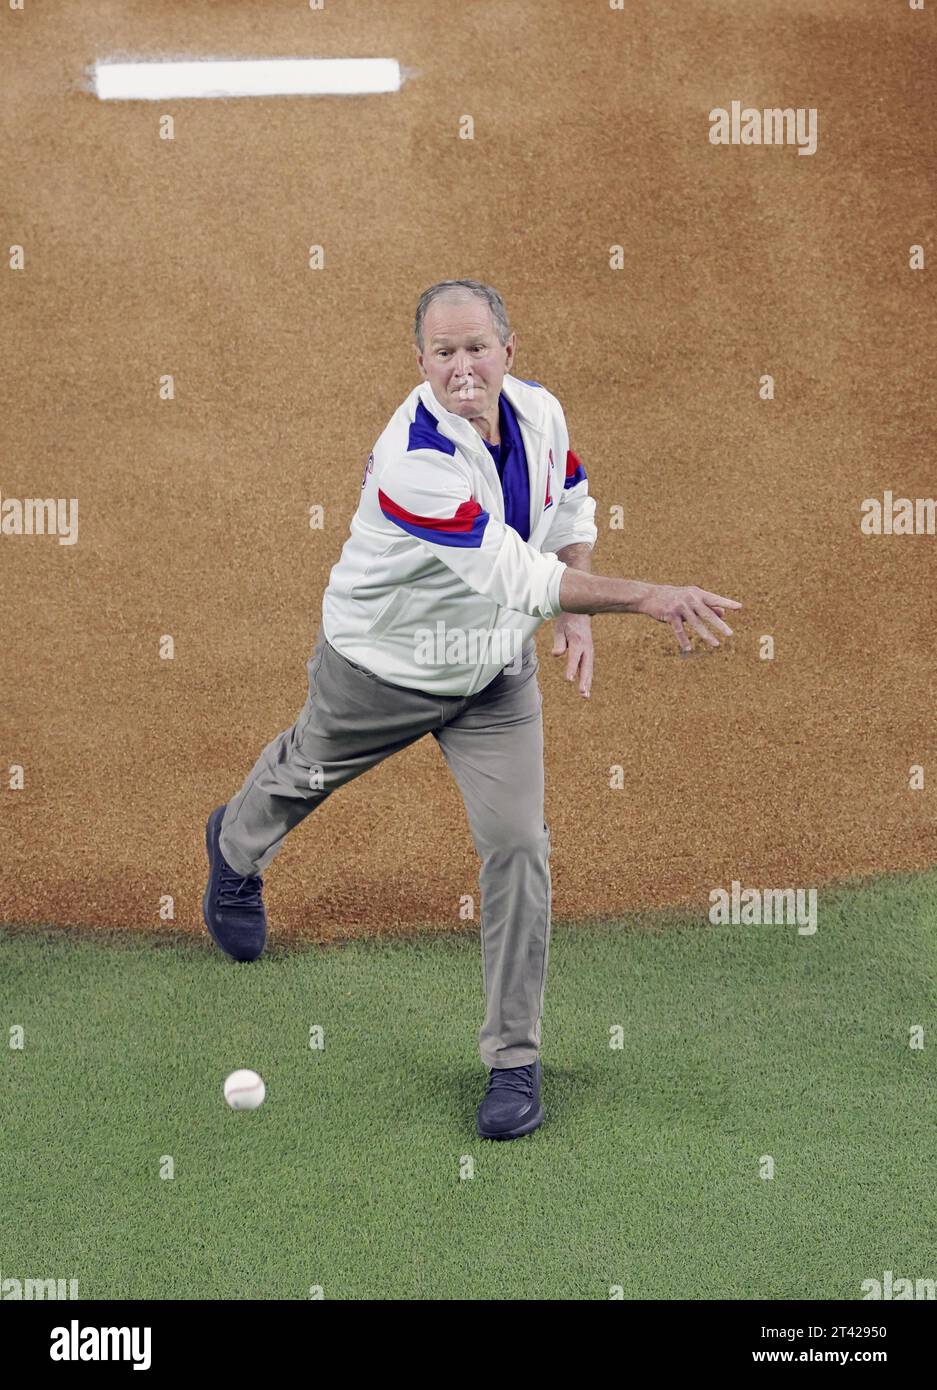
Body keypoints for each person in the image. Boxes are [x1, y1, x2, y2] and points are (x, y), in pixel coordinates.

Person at [202, 278, 741, 1141]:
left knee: (519, 846)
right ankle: (233, 846)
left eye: (476, 347)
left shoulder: (539, 414)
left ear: (507, 350)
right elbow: (512, 573)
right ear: (419, 363)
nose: (462, 367)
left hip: (492, 678)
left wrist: (570, 606)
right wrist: (641, 596)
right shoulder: (416, 459)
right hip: (381, 668)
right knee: (305, 770)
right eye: (443, 353)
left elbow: (568, 504)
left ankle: (513, 1059)